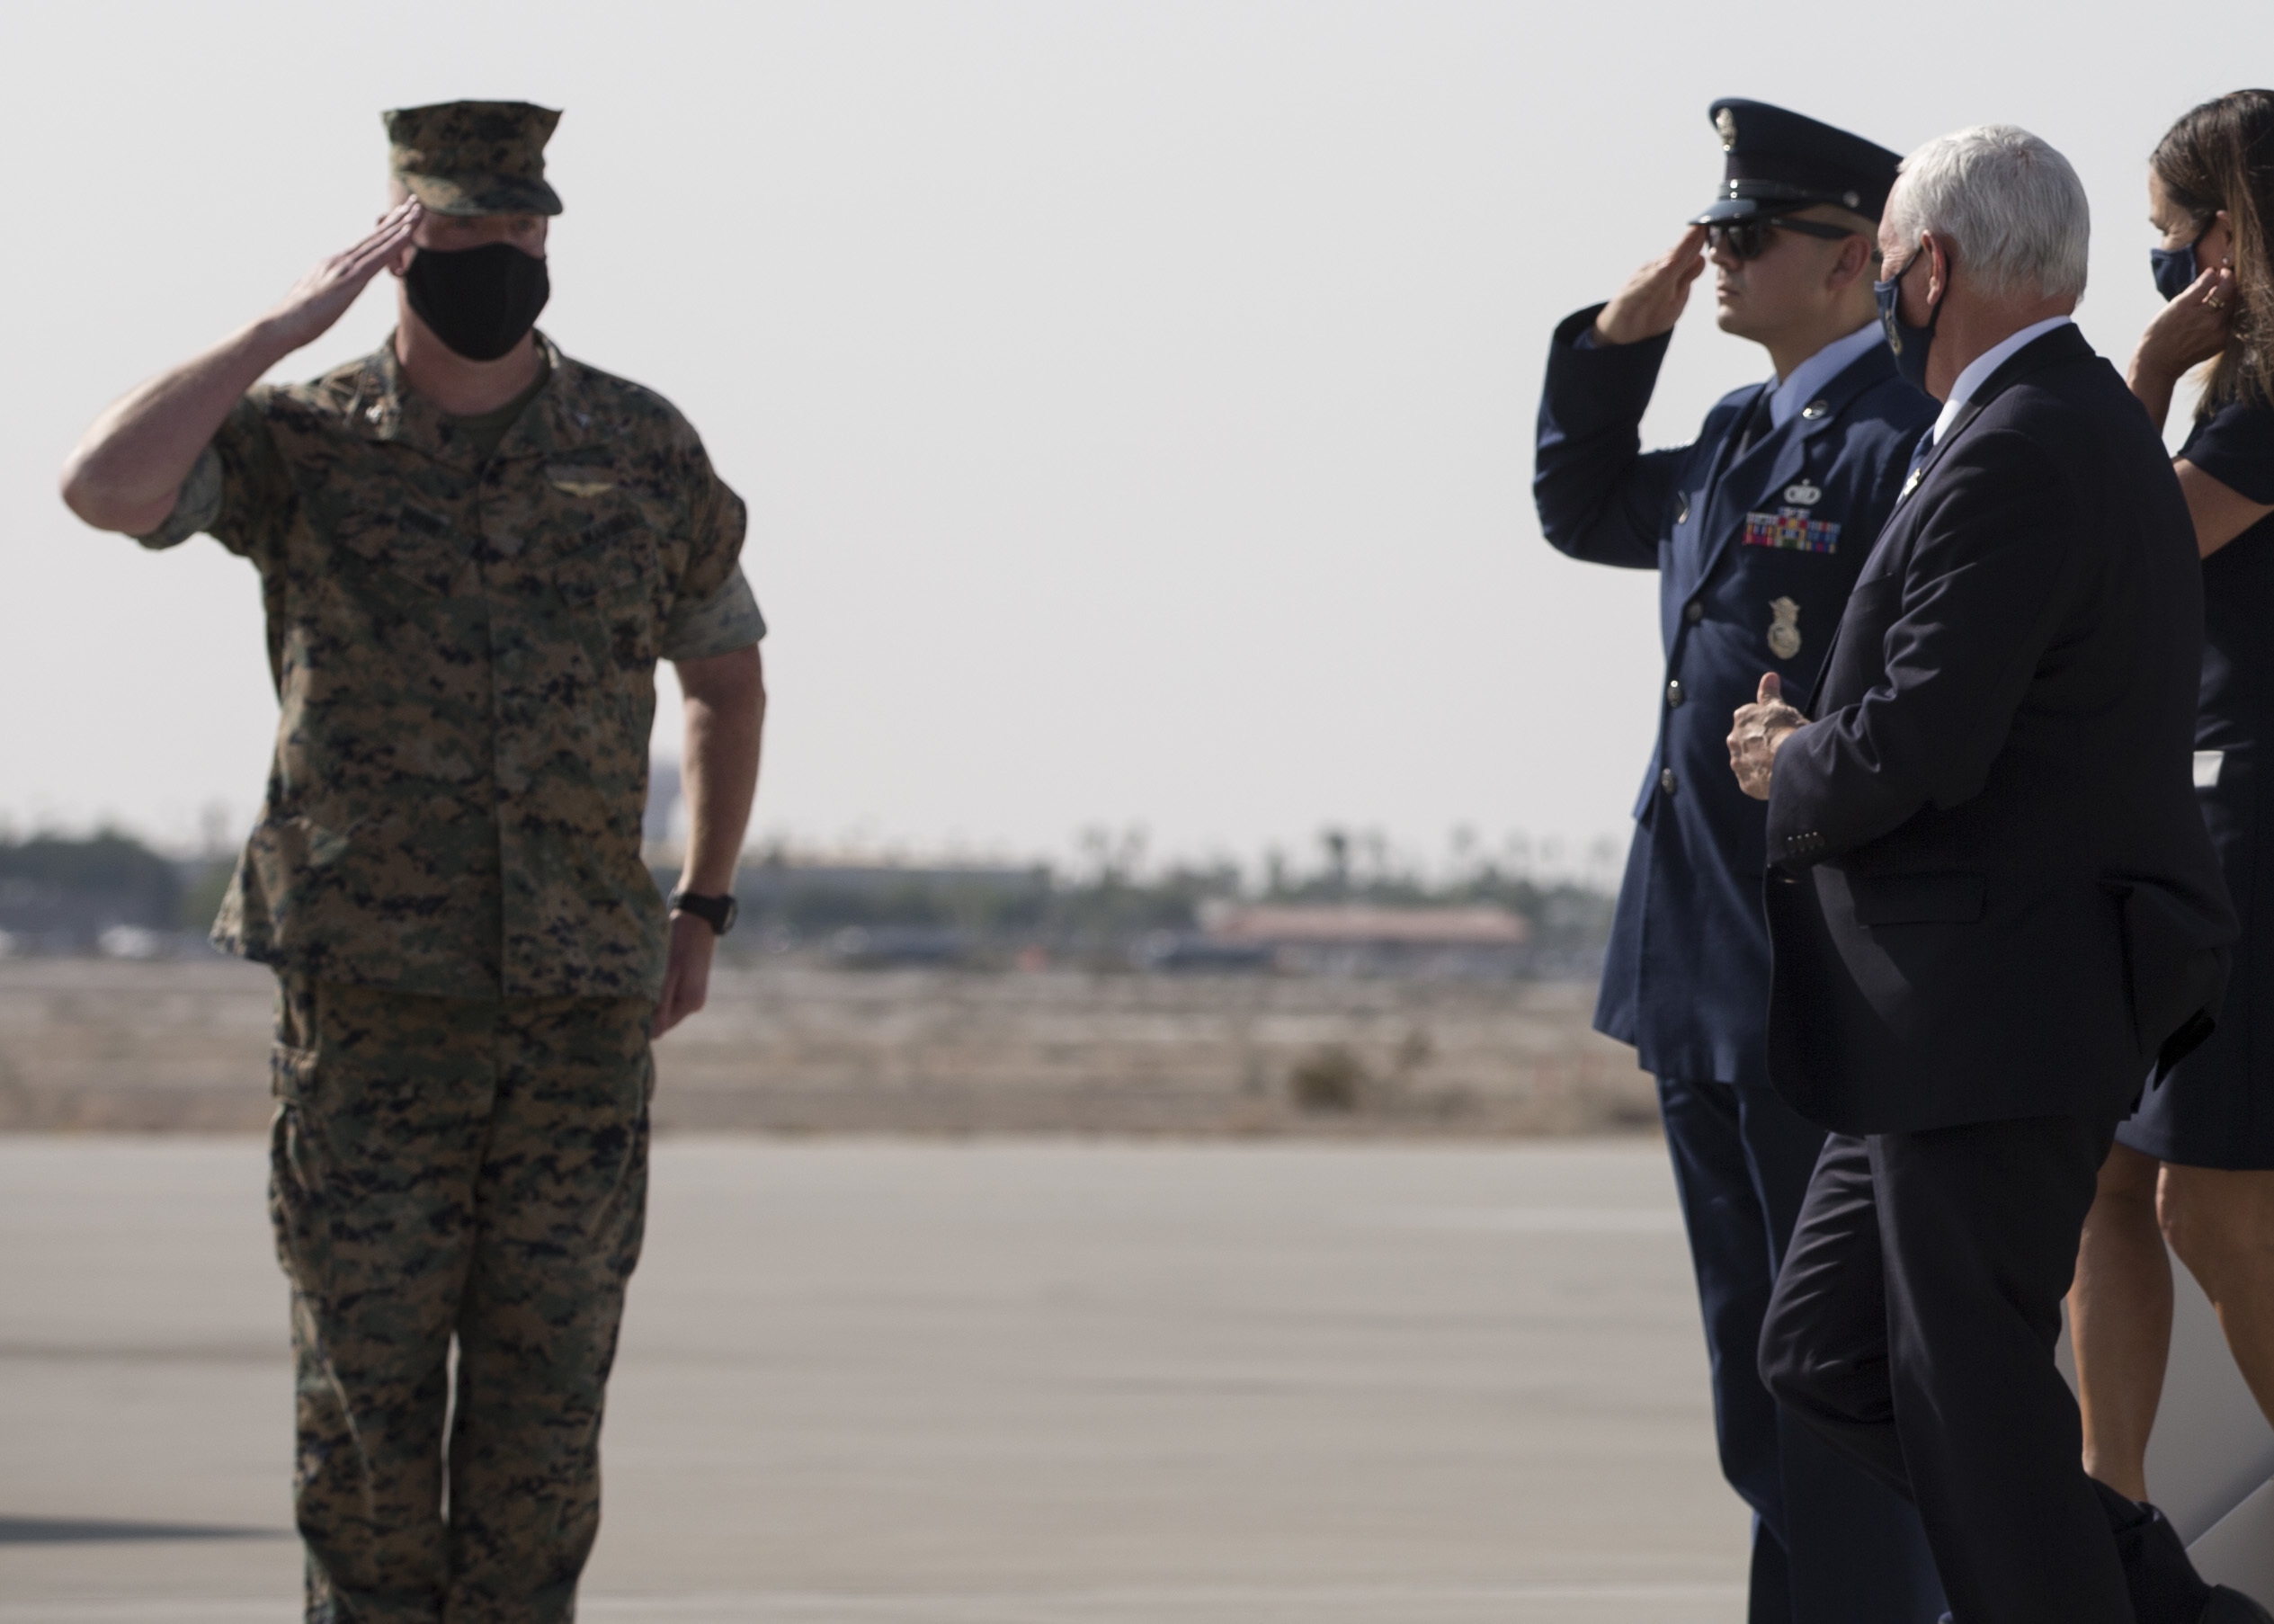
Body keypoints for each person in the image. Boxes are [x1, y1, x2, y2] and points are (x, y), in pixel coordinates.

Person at [56, 102, 766, 1621]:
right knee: (366, 1428)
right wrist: (273, 324)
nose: (501, 258)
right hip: (373, 1012)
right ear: (399, 243)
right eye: (463, 233)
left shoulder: (639, 448)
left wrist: (701, 903)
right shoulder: (302, 441)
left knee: (542, 1430)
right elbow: (105, 489)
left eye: (524, 233)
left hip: (579, 1011)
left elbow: (724, 673)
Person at [1732, 123, 2263, 1623]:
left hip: (1986, 1008)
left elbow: (1922, 737)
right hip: (1949, 1018)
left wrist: (1791, 757)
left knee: (1960, 1397)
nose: (1882, 291)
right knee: (1831, 1354)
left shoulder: (2023, 443)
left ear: (1930, 266)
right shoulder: (2052, 419)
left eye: (1889, 264)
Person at [1534, 98, 1943, 1623]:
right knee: (1751, 1390)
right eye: (1713, 229)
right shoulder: (1731, 434)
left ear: (1850, 262)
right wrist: (1615, 333)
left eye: (1747, 235)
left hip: (1812, 981)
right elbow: (1577, 507)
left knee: (1828, 1375)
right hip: (1693, 967)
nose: (1717, 255)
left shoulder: (1898, 444)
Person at [2070, 88, 2274, 1511]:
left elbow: (2107, 562)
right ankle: (2108, 1520)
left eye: (2165, 236)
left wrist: (2139, 370)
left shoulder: (2261, 417)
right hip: (2184, 832)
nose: (2159, 264)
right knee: (2103, 1176)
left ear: (2226, 236)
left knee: (2207, 1205)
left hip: (2253, 834)